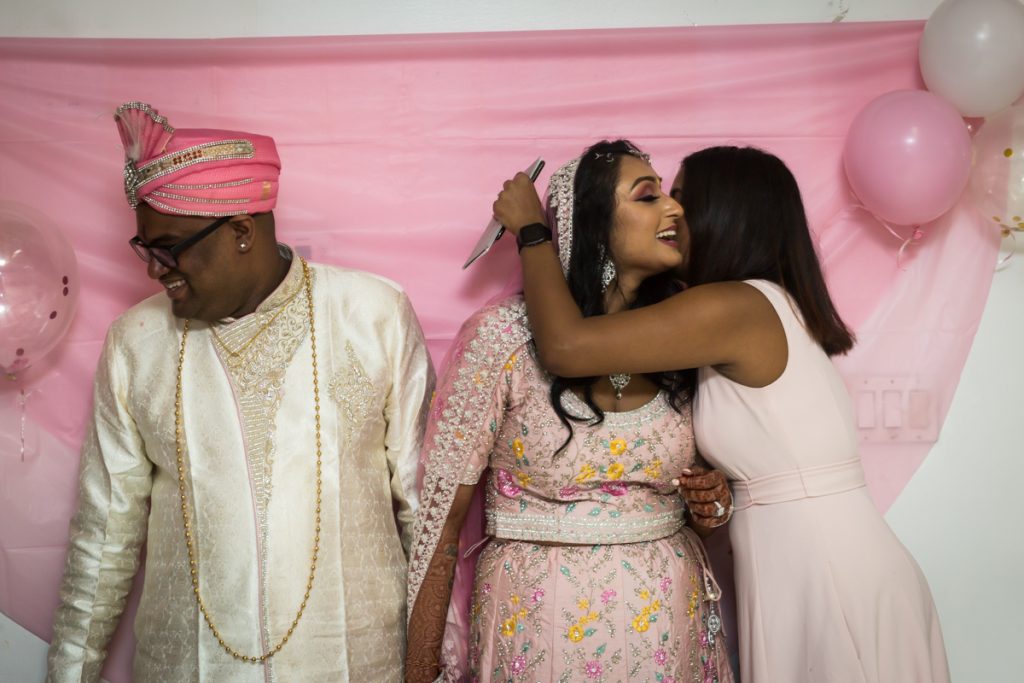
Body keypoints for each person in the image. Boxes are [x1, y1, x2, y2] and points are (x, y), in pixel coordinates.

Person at [493, 145, 951, 682]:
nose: (673, 211)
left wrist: (531, 230)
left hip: (826, 569)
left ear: (725, 213)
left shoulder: (737, 307)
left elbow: (567, 348)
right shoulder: (757, 307)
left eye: (683, 197)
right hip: (798, 562)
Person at [46, 102, 434, 682]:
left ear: (241, 232)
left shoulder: (371, 315)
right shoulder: (138, 342)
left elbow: (426, 508)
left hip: (355, 664)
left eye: (169, 247)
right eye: (145, 249)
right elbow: (103, 538)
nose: (155, 270)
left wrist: (435, 662)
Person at [406, 141, 735, 683]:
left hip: (670, 632)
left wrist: (711, 505)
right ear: (594, 224)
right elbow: (440, 526)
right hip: (541, 629)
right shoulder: (500, 339)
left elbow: (697, 509)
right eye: (648, 197)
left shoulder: (683, 338)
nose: (675, 209)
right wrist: (420, 671)